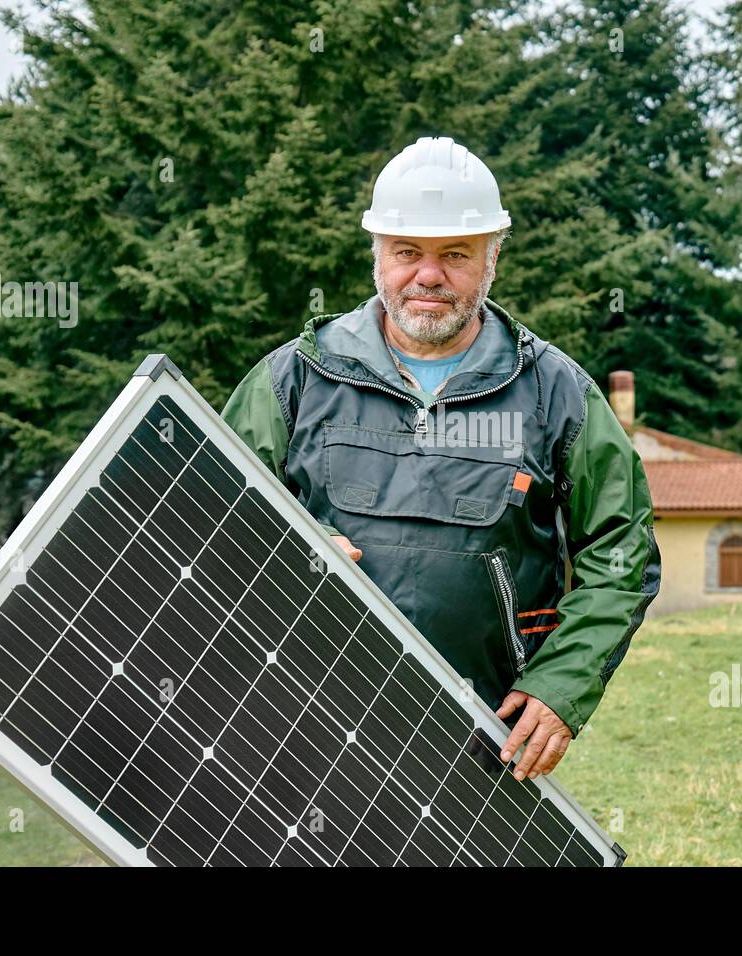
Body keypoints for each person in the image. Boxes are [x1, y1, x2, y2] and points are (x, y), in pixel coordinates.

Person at [222, 136, 660, 782]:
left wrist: (561, 687)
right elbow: (213, 512)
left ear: (492, 259)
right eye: (407, 253)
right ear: (377, 255)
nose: (428, 275)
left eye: (455, 254)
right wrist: (299, 540)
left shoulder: (554, 391)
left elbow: (622, 546)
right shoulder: (294, 379)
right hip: (302, 718)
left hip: (482, 739)